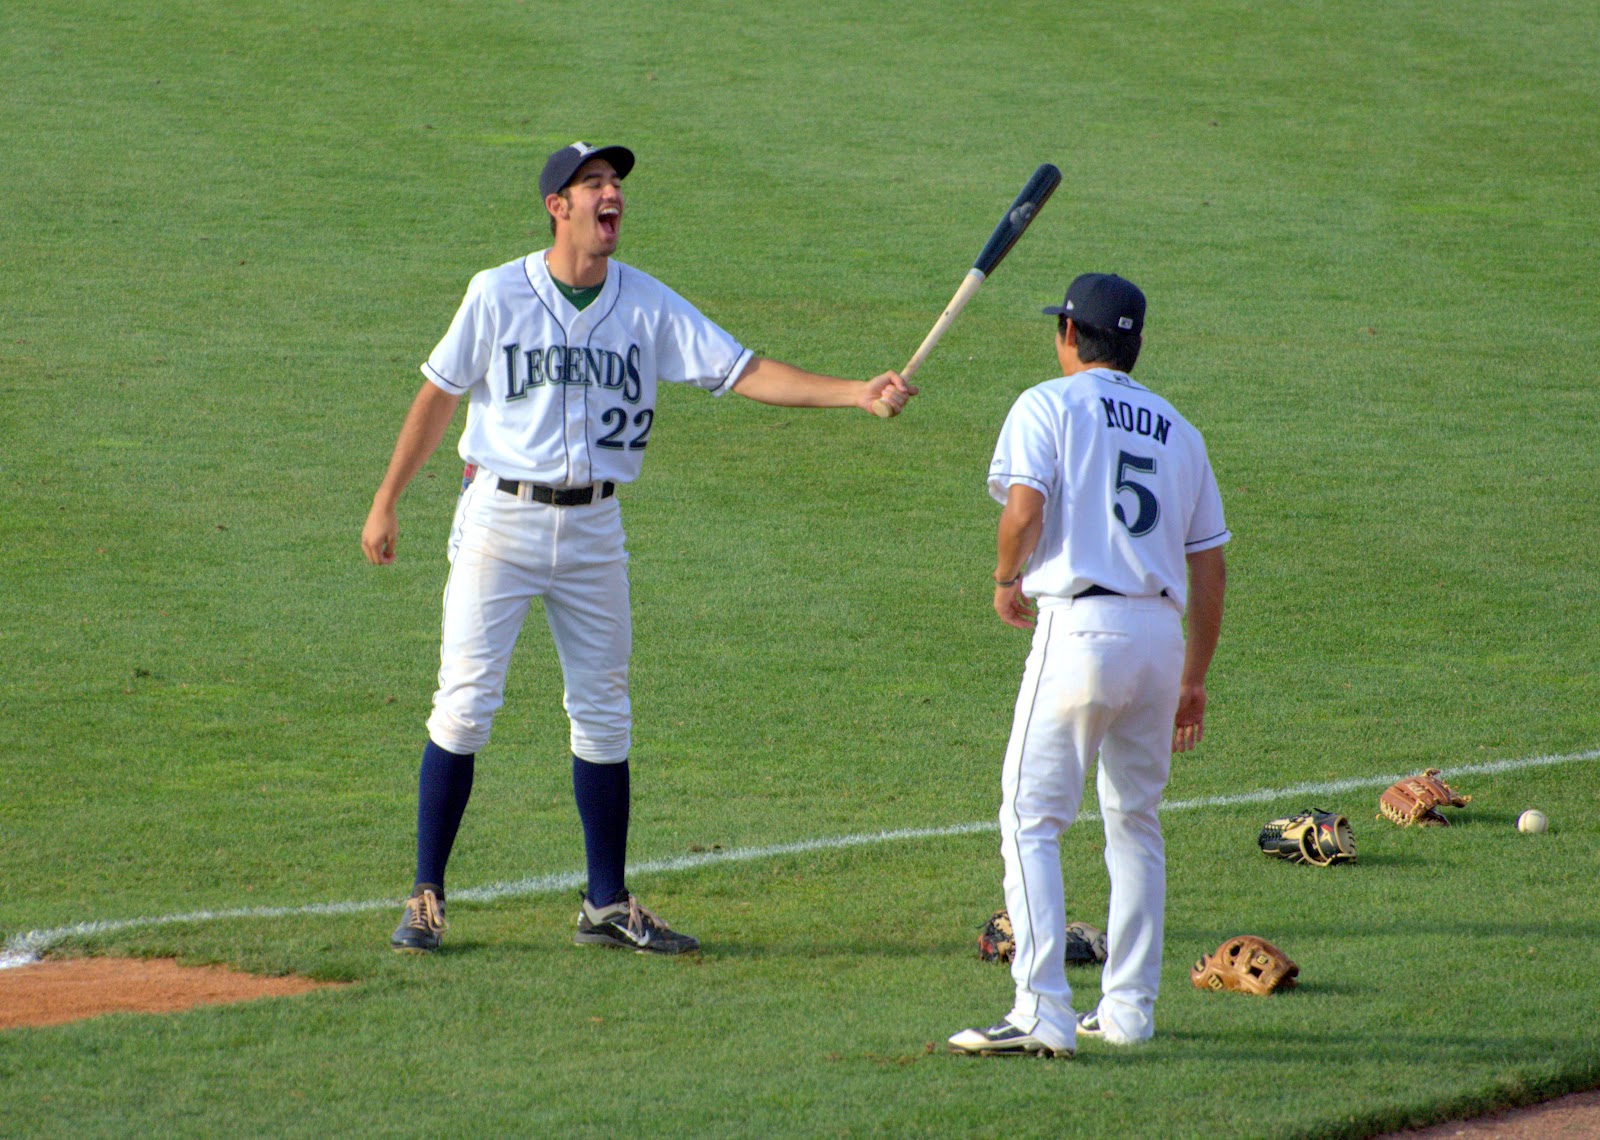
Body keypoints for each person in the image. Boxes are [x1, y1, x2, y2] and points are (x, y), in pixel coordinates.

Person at [362, 141, 915, 955]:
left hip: (595, 530)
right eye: (594, 184)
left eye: (615, 183)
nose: (611, 193)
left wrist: (853, 395)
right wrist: (386, 500)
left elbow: (744, 370)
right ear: (558, 205)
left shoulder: (648, 303)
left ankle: (605, 904)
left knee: (604, 714)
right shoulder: (496, 294)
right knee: (465, 704)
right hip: (499, 521)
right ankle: (426, 896)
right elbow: (439, 396)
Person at [947, 272, 1228, 1056]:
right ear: (1132, 345)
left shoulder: (1047, 402)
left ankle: (1042, 1011)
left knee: (1030, 820)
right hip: (1158, 639)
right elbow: (1210, 568)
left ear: (1070, 334)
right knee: (1135, 823)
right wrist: (1194, 677)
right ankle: (1131, 1012)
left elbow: (1025, 508)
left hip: (1079, 630)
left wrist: (1007, 580)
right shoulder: (1181, 429)